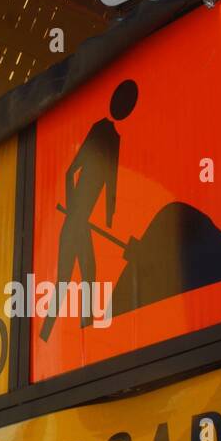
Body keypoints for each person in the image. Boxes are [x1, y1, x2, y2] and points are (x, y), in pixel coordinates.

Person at [40, 78, 137, 342]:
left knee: (88, 279)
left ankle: (81, 336)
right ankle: (49, 335)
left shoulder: (115, 139)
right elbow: (71, 171)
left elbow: (111, 184)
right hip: (74, 222)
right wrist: (74, 209)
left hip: (82, 223)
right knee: (65, 281)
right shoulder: (99, 130)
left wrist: (108, 218)